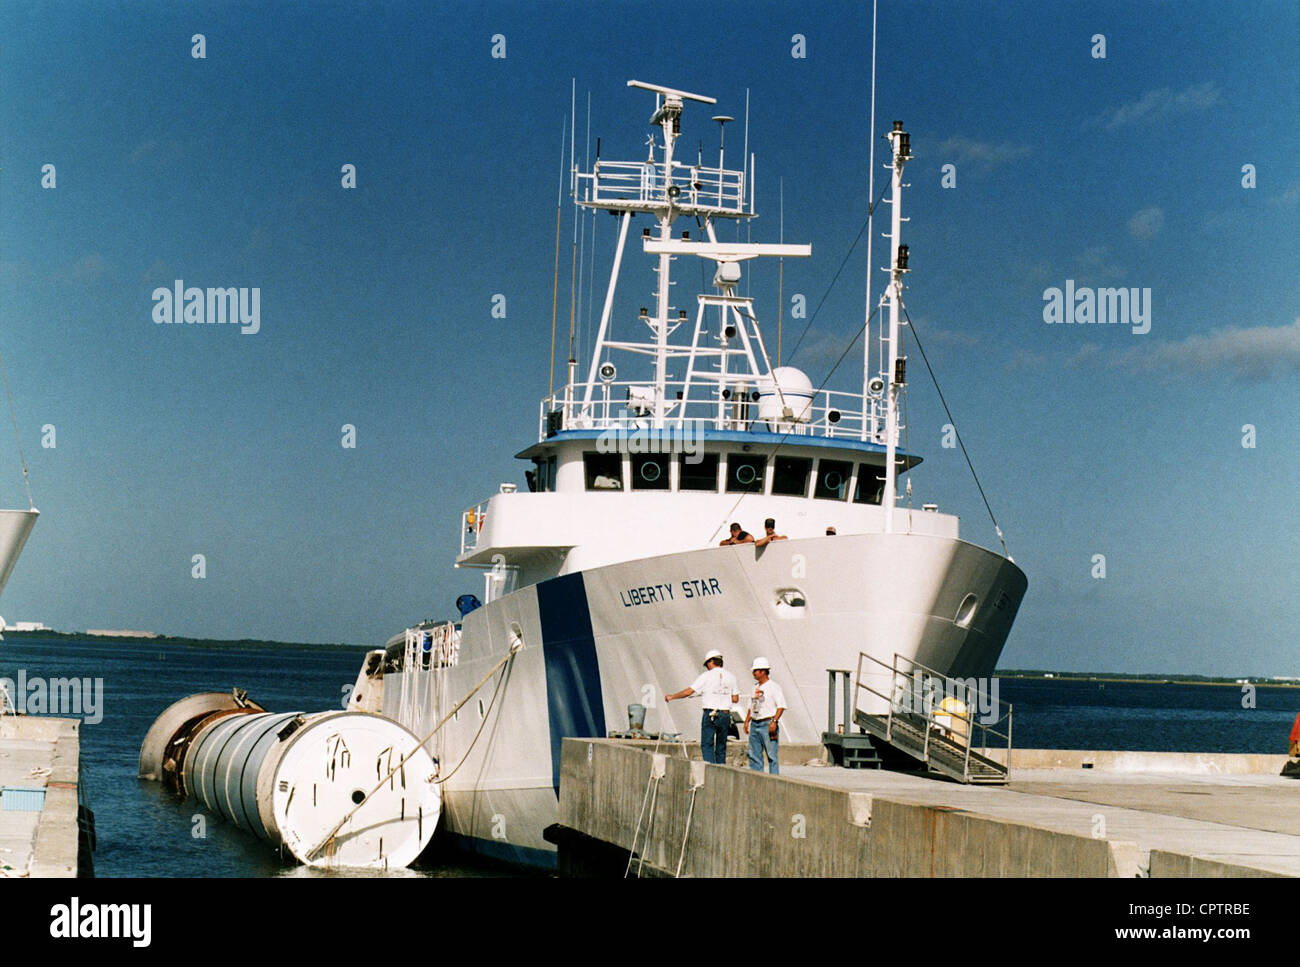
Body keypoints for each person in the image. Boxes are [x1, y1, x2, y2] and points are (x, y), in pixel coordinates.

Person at [665, 650, 740, 764]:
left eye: (707, 665)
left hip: (710, 714)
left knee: (707, 745)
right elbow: (735, 699)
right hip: (725, 714)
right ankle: (720, 771)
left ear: (711, 662)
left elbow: (689, 692)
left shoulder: (706, 676)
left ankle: (710, 771)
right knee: (721, 747)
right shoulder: (731, 677)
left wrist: (672, 696)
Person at [744, 657, 787, 774]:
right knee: (754, 755)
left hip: (767, 723)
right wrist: (747, 721)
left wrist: (774, 721)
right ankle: (757, 780)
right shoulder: (755, 687)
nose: (753, 673)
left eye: (755, 671)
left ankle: (774, 781)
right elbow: (751, 705)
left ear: (763, 671)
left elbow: (781, 706)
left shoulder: (774, 687)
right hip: (755, 722)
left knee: (771, 755)